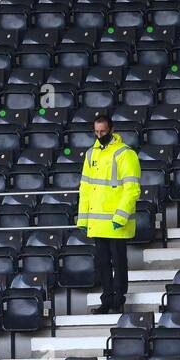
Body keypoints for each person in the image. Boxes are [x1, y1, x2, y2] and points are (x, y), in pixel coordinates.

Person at [76, 114, 141, 314]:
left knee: (119, 262)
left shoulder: (125, 154)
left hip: (116, 221)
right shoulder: (91, 154)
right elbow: (85, 189)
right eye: (96, 131)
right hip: (98, 221)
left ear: (112, 129)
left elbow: (132, 189)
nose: (99, 135)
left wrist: (120, 216)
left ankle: (118, 299)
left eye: (103, 131)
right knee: (102, 263)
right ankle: (107, 300)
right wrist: (83, 218)